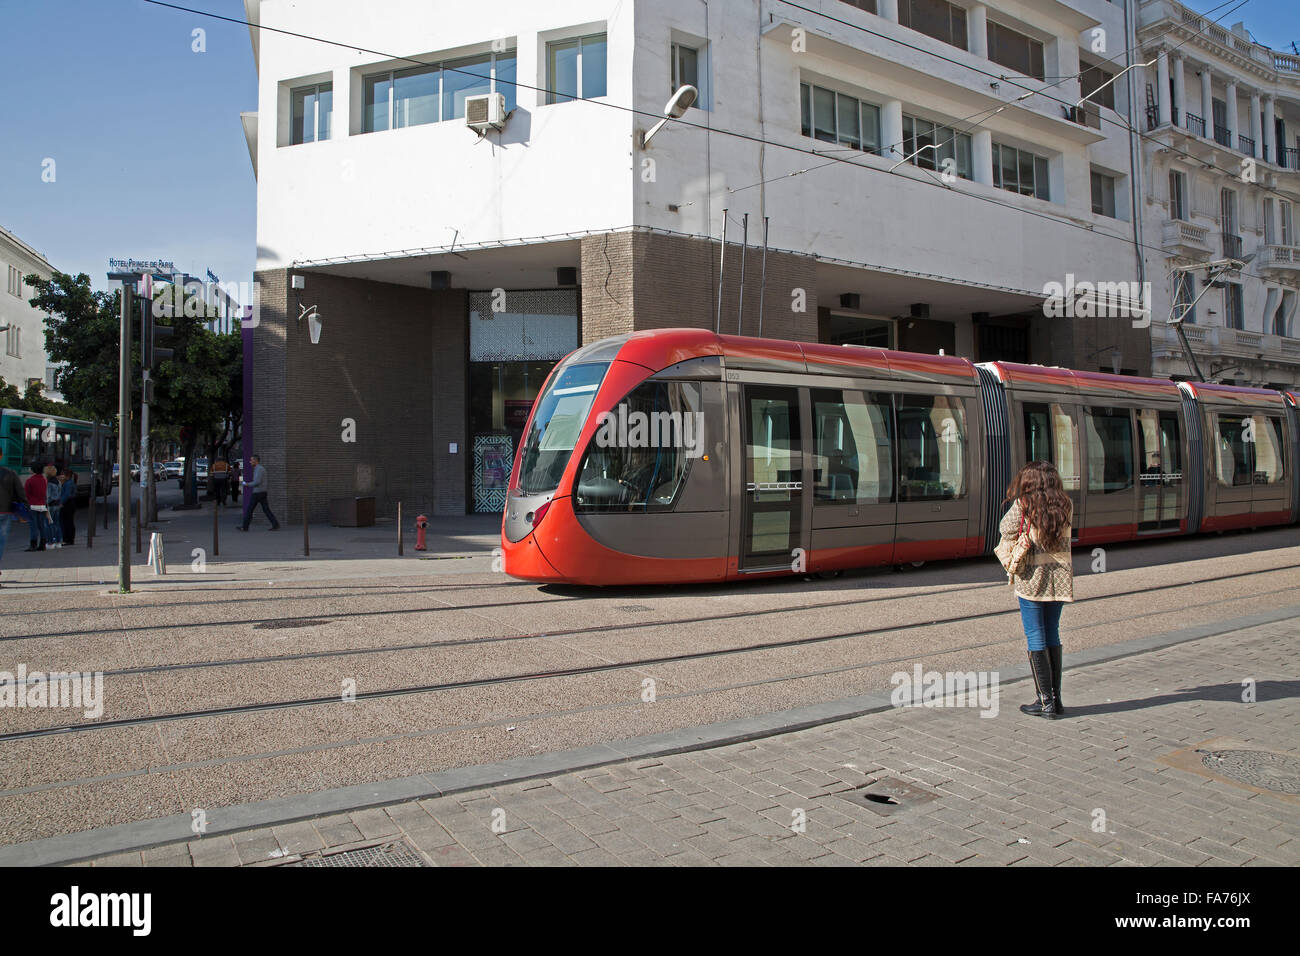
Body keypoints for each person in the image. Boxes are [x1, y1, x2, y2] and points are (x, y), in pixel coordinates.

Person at [997, 460, 1074, 720]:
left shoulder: (1025, 505)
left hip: (1032, 578)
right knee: (1052, 632)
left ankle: (1045, 703)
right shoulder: (1066, 504)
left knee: (1035, 634)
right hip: (1059, 579)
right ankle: (1056, 700)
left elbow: (1005, 529)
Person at [0, 448, 28, 576]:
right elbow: (21, 495)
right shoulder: (10, 473)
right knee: (0, 543)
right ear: (1, 456)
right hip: (5, 513)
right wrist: (24, 513)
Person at [238, 454, 280, 531]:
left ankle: (245, 527)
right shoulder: (259, 469)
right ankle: (275, 524)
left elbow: (257, 482)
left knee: (250, 510)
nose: (250, 462)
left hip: (258, 493)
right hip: (262, 492)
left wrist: (247, 484)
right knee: (266, 509)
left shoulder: (259, 469)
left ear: (255, 461)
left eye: (251, 460)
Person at [24, 464, 49, 552]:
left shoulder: (30, 480)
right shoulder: (43, 480)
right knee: (42, 525)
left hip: (32, 505)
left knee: (33, 526)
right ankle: (43, 544)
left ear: (33, 470)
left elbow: (26, 494)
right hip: (42, 505)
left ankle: (33, 545)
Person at [44, 463, 62, 549]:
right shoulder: (58, 482)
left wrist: (45, 504)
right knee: (57, 523)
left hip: (50, 505)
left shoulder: (48, 483)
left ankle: (50, 542)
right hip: (57, 504)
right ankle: (58, 542)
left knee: (48, 524)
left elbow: (48, 496)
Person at [58, 465, 78, 545]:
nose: (61, 476)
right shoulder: (69, 482)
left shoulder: (68, 483)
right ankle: (69, 538)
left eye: (62, 474)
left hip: (68, 504)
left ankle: (68, 539)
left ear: (67, 475)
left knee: (66, 522)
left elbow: (66, 495)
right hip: (70, 503)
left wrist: (61, 503)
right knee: (68, 521)